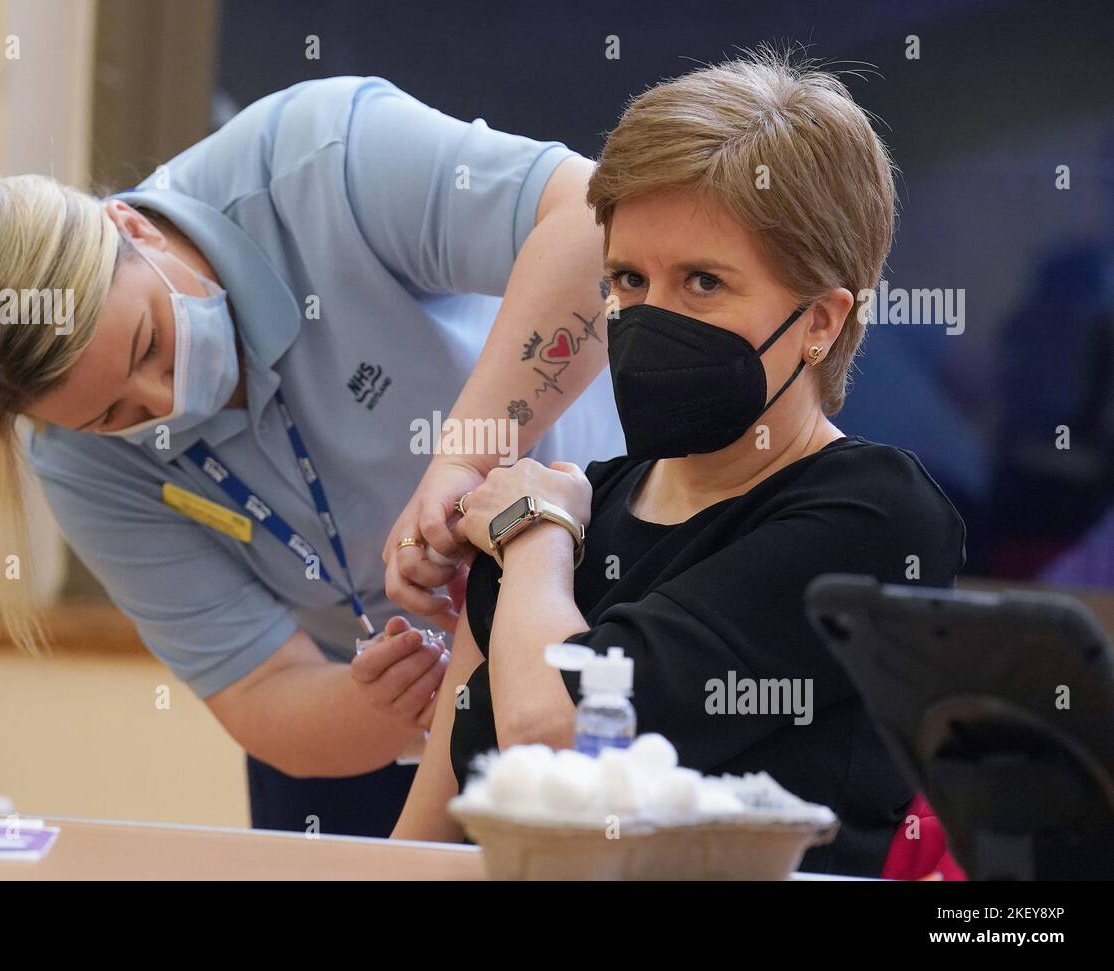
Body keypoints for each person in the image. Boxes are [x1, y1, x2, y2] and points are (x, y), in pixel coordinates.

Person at [0, 75, 622, 837]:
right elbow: (263, 688)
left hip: (603, 582)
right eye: (117, 414)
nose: (165, 398)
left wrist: (465, 461)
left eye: (149, 342)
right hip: (374, 739)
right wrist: (376, 703)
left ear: (131, 228)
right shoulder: (75, 460)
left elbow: (594, 223)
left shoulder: (318, 160)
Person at [390, 48, 967, 877]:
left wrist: (536, 542)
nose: (650, 319)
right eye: (628, 278)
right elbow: (424, 840)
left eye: (702, 282)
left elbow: (560, 732)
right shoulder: (563, 509)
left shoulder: (873, 517)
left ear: (820, 321)